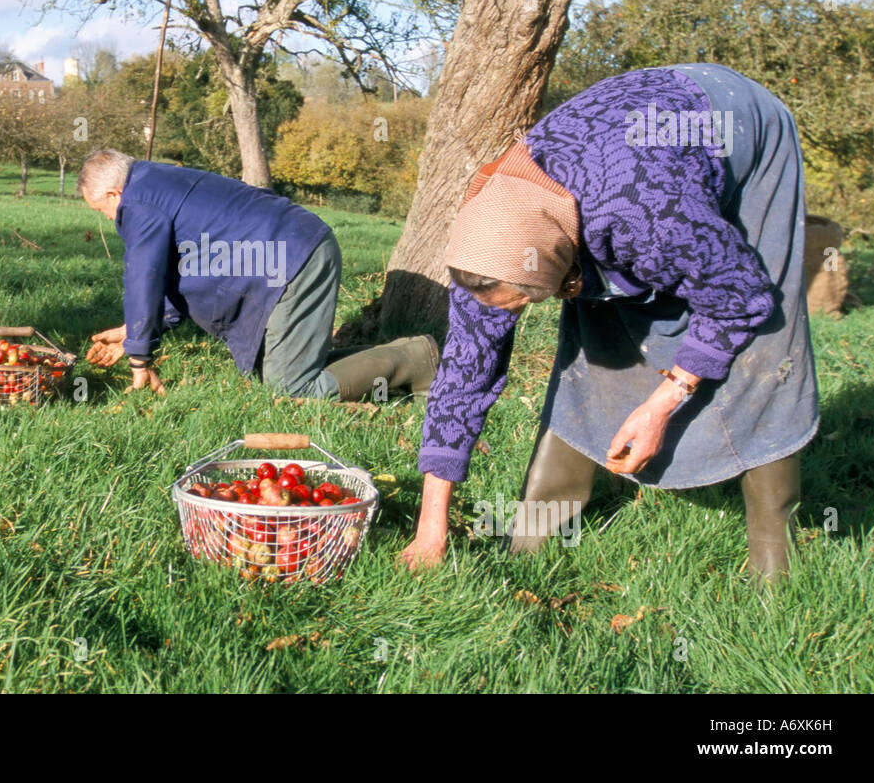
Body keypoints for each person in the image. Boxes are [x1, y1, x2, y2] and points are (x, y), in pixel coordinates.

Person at [401, 64, 818, 583]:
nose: (507, 315)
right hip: (618, 168)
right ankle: (536, 536)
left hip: (733, 124)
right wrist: (430, 528)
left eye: (522, 304)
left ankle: (773, 557)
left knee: (764, 335)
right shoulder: (486, 245)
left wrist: (663, 404)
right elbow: (465, 377)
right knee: (596, 331)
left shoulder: (646, 215)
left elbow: (739, 295)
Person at [77, 149, 439, 398]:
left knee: (291, 389)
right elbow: (171, 279)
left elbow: (144, 276)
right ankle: (407, 356)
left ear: (114, 193)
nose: (109, 219)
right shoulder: (154, 184)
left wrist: (141, 358)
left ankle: (415, 362)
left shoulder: (139, 202)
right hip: (292, 252)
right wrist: (132, 334)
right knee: (275, 375)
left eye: (102, 210)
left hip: (294, 259)